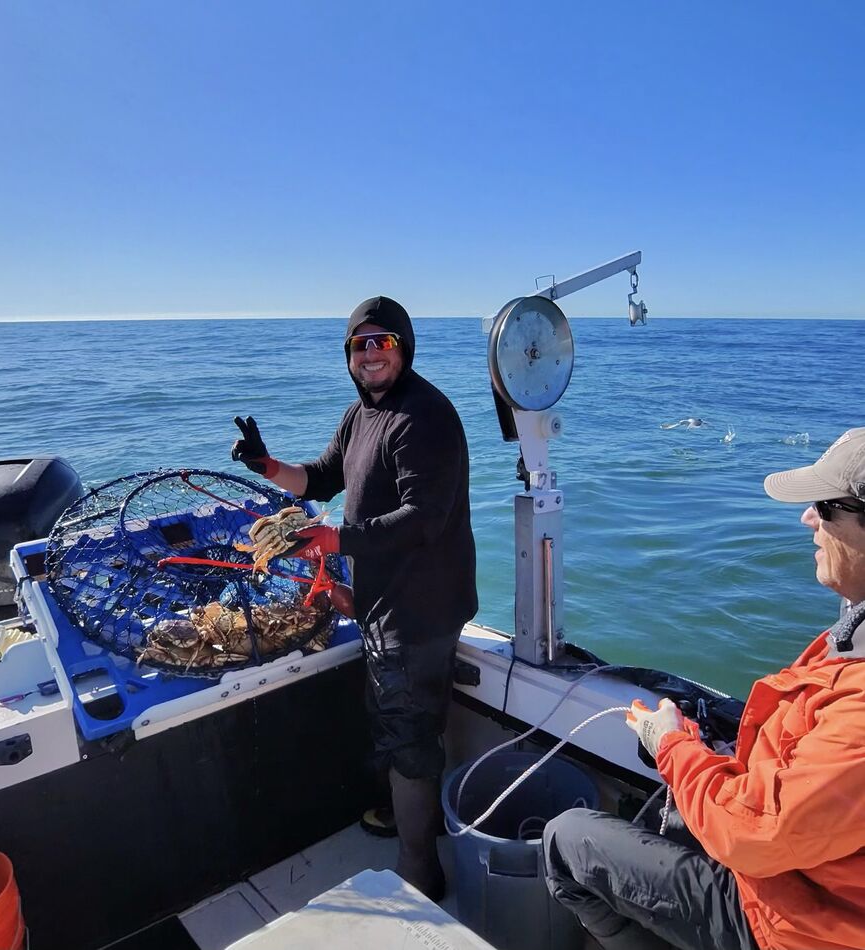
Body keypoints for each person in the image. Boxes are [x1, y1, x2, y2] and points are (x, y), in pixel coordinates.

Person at [543, 426, 865, 950]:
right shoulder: (854, 633)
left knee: (565, 842)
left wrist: (672, 745)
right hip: (804, 879)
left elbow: (755, 834)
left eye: (826, 507)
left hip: (790, 924)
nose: (809, 518)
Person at [231, 295, 477, 901]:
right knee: (396, 725)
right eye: (360, 344)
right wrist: (267, 465)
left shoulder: (426, 417)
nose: (371, 353)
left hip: (418, 612)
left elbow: (425, 519)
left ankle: (422, 876)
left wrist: (334, 537)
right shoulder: (360, 414)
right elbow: (321, 478)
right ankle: (405, 815)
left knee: (411, 735)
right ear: (348, 355)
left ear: (404, 347)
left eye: (383, 342)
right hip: (381, 604)